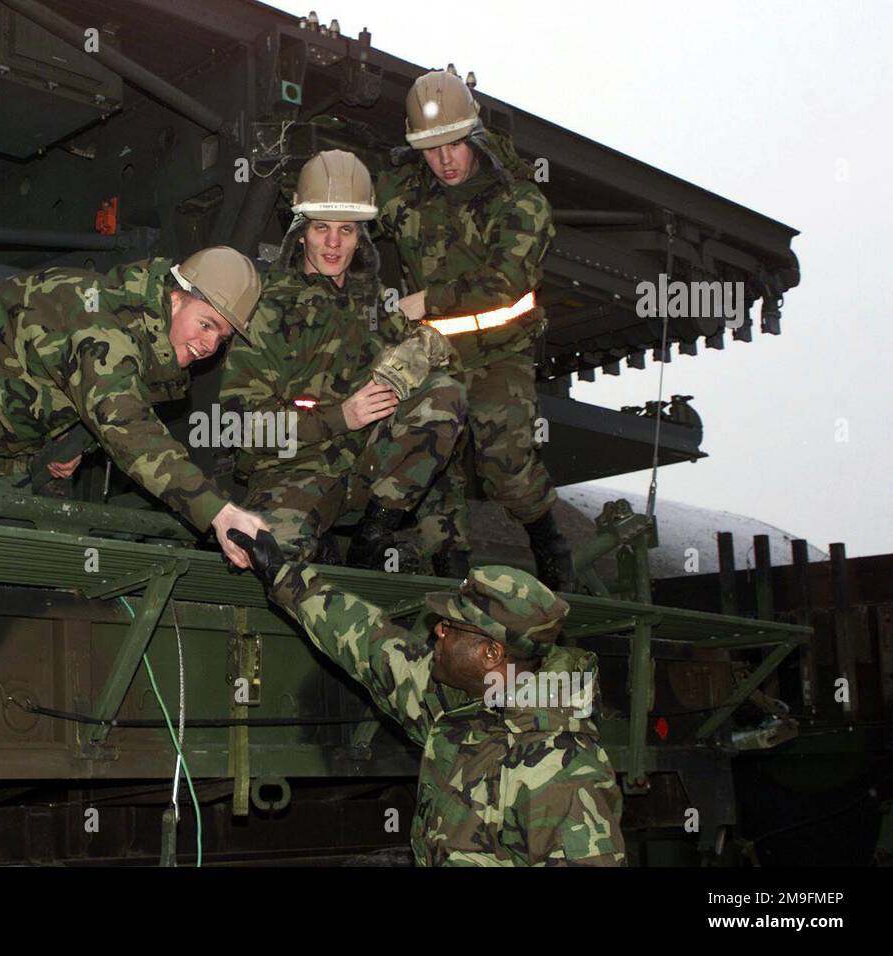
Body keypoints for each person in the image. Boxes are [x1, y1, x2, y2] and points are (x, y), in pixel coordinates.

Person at [228, 527, 626, 866]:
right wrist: (281, 572)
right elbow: (369, 643)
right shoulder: (463, 709)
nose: (437, 632)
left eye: (452, 627)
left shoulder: (563, 770)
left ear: (491, 653)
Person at [0, 246, 269, 568]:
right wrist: (219, 513)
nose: (209, 345)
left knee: (24, 559)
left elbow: (86, 392)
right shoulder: (102, 324)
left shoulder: (143, 332)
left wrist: (73, 441)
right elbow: (128, 426)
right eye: (206, 324)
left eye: (222, 337)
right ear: (175, 298)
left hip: (5, 439)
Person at [376, 67, 576, 590]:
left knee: (503, 461)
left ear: (476, 134)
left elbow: (506, 282)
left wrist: (428, 300)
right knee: (431, 465)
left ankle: (549, 541)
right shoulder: (403, 194)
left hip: (498, 352)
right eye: (430, 148)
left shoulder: (519, 203)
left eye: (455, 145)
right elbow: (350, 219)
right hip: (433, 352)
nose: (444, 161)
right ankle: (449, 571)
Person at [218, 149, 464, 570]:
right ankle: (322, 547)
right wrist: (340, 417)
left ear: (360, 237)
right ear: (301, 233)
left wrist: (420, 351)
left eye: (346, 230)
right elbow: (241, 427)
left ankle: (376, 532)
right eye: (322, 229)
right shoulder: (267, 309)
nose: (333, 243)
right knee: (266, 561)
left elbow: (443, 366)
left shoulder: (373, 306)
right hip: (294, 471)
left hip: (368, 467)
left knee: (445, 394)